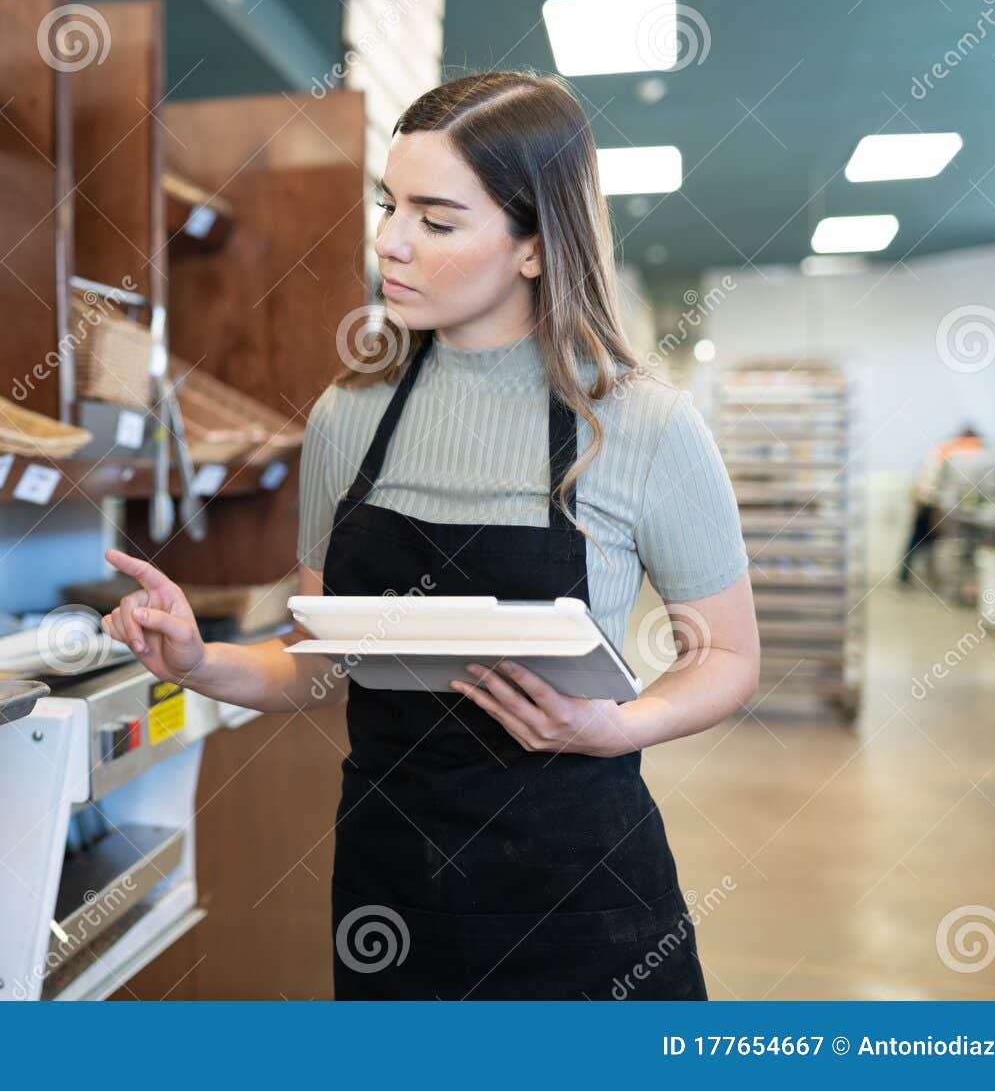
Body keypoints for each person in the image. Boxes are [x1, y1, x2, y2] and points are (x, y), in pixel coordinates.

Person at [99, 71, 759, 1001]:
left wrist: (618, 726)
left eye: (437, 221)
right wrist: (198, 659)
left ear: (534, 245)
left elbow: (727, 655)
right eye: (388, 205)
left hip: (583, 898)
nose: (390, 243)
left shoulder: (640, 423)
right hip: (392, 890)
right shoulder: (349, 417)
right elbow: (321, 660)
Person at [899, 424, 985, 585]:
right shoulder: (953, 453)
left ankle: (916, 576)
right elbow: (936, 482)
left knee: (925, 541)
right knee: (920, 539)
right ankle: (907, 576)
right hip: (929, 503)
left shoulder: (947, 449)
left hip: (929, 501)